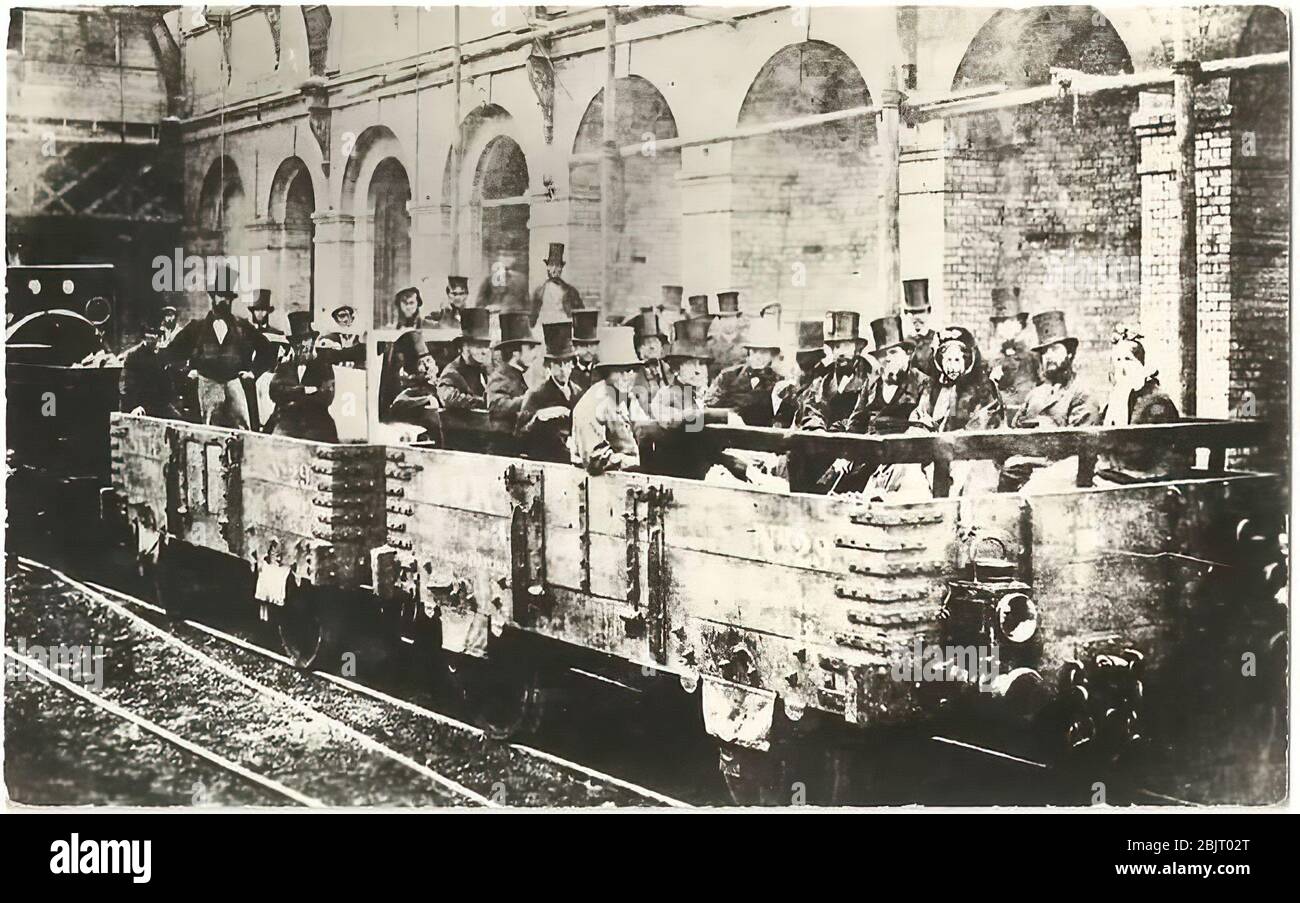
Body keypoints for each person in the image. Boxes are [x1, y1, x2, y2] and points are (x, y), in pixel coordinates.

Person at [165, 263, 275, 429]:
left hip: (235, 385)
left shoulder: (242, 327)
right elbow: (171, 354)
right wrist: (187, 372)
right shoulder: (197, 327)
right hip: (206, 386)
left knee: (241, 432)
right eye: (220, 295)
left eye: (228, 297)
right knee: (208, 433)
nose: (224, 300)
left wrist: (253, 372)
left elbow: (267, 351)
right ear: (213, 296)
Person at [1096, 323, 1183, 483]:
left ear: (1141, 364)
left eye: (1128, 360)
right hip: (1122, 469)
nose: (1121, 367)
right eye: (1118, 360)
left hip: (1149, 473)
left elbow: (1146, 451)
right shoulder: (1120, 396)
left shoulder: (1156, 401)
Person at [570, 326, 646, 474]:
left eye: (631, 370)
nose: (627, 376)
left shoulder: (627, 398)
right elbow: (594, 461)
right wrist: (629, 461)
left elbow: (644, 430)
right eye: (620, 371)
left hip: (630, 478)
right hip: (595, 483)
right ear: (607, 371)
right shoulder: (591, 405)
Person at [1011, 310, 1098, 429]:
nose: (1049, 356)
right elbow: (1015, 430)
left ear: (1070, 354)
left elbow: (1081, 441)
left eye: (1055, 349)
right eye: (1045, 352)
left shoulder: (1082, 394)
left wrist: (1042, 426)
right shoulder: (1034, 394)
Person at [912, 325, 1003, 432]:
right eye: (948, 360)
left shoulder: (983, 388)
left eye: (957, 360)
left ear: (968, 360)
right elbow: (920, 415)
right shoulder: (933, 387)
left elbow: (986, 422)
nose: (952, 368)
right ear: (940, 361)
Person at [800, 310, 877, 432]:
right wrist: (818, 429)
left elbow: (869, 417)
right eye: (837, 347)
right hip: (824, 440)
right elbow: (813, 409)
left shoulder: (871, 377)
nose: (840, 352)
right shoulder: (824, 378)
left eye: (846, 345)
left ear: (858, 348)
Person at [268, 311, 338, 443]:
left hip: (315, 423)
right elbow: (274, 392)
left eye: (307, 343)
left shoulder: (323, 367)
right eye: (299, 343)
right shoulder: (284, 367)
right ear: (294, 345)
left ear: (312, 343)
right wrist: (304, 390)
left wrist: (291, 393)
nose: (303, 347)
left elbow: (326, 395)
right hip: (286, 421)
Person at [516, 320, 579, 463]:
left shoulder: (578, 393)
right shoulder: (536, 395)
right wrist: (538, 417)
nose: (563, 369)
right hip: (546, 462)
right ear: (549, 366)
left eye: (567, 363)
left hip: (574, 463)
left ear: (572, 364)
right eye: (558, 364)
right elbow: (519, 436)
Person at [703, 318, 784, 427]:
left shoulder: (779, 382)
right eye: (754, 351)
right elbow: (708, 407)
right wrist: (729, 416)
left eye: (763, 352)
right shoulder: (728, 376)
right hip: (728, 434)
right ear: (749, 353)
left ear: (771, 356)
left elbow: (783, 418)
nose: (758, 357)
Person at [385, 332, 445, 443]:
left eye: (429, 360)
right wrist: (429, 400)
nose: (427, 366)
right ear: (412, 371)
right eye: (421, 363)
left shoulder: (441, 385)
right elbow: (398, 405)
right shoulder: (408, 394)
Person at [987, 287, 1039, 411]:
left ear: (1019, 324)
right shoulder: (993, 360)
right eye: (999, 322)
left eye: (1007, 321)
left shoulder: (1032, 358)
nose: (1001, 327)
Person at [120, 314, 181, 419]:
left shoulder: (160, 356)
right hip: (140, 406)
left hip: (158, 405)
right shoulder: (133, 355)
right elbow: (127, 386)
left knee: (178, 420)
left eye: (157, 335)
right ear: (144, 336)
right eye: (151, 334)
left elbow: (167, 385)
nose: (155, 338)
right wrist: (134, 406)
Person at [487, 311, 541, 428]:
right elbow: (496, 406)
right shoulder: (500, 377)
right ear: (515, 353)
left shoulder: (516, 376)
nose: (536, 354)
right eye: (530, 348)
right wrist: (530, 399)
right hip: (503, 443)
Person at [775, 319, 830, 428]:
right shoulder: (796, 383)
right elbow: (782, 418)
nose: (800, 360)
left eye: (805, 355)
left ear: (817, 355)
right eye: (799, 355)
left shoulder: (826, 379)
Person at [436, 307, 491, 411]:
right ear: (464, 346)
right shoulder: (452, 373)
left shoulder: (486, 368)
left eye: (487, 346)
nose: (485, 351)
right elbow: (448, 399)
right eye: (479, 346)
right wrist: (486, 401)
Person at [529, 243, 583, 325]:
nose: (554, 269)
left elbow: (580, 315)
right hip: (543, 329)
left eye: (557, 265)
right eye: (551, 265)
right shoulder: (539, 291)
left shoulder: (570, 291)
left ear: (561, 268)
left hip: (564, 328)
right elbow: (532, 318)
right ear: (547, 267)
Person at [630, 309, 671, 408]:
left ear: (661, 347)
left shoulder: (669, 370)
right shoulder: (632, 375)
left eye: (655, 341)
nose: (652, 346)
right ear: (639, 349)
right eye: (647, 342)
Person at [706, 290, 750, 381]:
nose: (728, 323)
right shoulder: (710, 345)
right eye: (725, 318)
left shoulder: (746, 345)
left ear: (737, 319)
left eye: (732, 318)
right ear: (720, 321)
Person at [474, 248, 530, 315]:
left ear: (514, 259)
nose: (506, 259)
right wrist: (488, 308)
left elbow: (526, 306)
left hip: (514, 319)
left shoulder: (521, 280)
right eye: (503, 255)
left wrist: (507, 308)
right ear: (498, 258)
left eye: (510, 255)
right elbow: (479, 305)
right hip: (494, 319)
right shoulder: (488, 280)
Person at [903, 279, 938, 380]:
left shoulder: (936, 340)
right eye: (912, 312)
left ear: (928, 311)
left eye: (920, 312)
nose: (916, 317)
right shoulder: (904, 343)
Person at [569, 308, 601, 397]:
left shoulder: (602, 370)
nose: (589, 351)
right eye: (583, 346)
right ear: (574, 347)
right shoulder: (568, 371)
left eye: (592, 345)